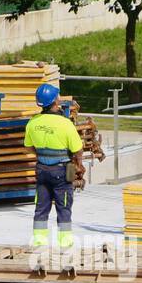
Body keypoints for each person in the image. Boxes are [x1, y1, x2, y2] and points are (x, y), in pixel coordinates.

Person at [24, 83, 86, 249]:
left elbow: (28, 147)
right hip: (62, 169)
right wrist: (78, 165)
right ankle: (64, 240)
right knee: (64, 204)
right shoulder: (65, 123)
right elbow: (77, 150)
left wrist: (43, 155)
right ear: (55, 102)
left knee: (41, 205)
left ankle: (39, 239)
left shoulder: (33, 122)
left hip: (42, 169)